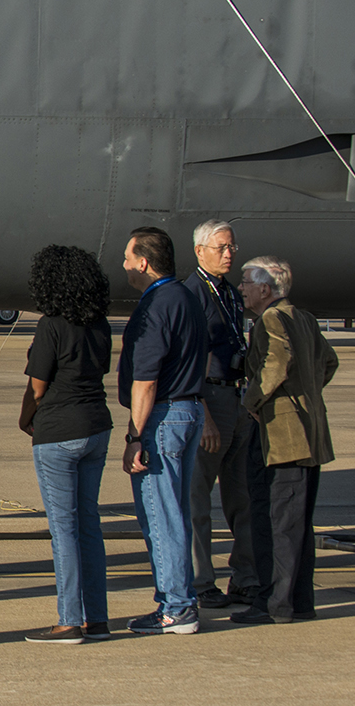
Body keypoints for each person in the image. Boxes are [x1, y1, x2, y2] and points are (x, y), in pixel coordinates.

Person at [17, 245, 115, 643]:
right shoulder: (101, 324)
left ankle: (69, 619)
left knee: (64, 529)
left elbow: (38, 385)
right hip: (96, 425)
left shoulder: (51, 325)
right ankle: (98, 617)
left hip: (59, 431)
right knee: (88, 524)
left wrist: (28, 418)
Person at [233, 257, 338, 625]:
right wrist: (303, 396)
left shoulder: (272, 319)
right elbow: (328, 362)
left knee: (274, 523)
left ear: (265, 288)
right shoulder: (305, 318)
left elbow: (277, 362)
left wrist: (253, 402)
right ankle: (299, 601)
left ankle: (273, 604)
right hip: (308, 438)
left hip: (282, 440)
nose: (241, 287)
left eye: (246, 281)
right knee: (297, 525)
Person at [119, 226, 207, 635]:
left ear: (144, 262)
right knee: (176, 512)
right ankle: (179, 599)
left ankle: (176, 605)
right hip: (189, 409)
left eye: (127, 258)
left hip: (164, 415)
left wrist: (135, 435)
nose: (124, 266)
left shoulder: (156, 305)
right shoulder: (187, 298)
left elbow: (146, 379)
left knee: (160, 515)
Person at [184, 220, 257, 609]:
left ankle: (245, 576)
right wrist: (203, 413)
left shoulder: (229, 292)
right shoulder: (191, 294)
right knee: (198, 498)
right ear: (200, 251)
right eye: (221, 248)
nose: (229, 254)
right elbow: (188, 359)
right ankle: (200, 580)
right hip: (209, 398)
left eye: (231, 247)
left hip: (236, 397)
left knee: (242, 495)